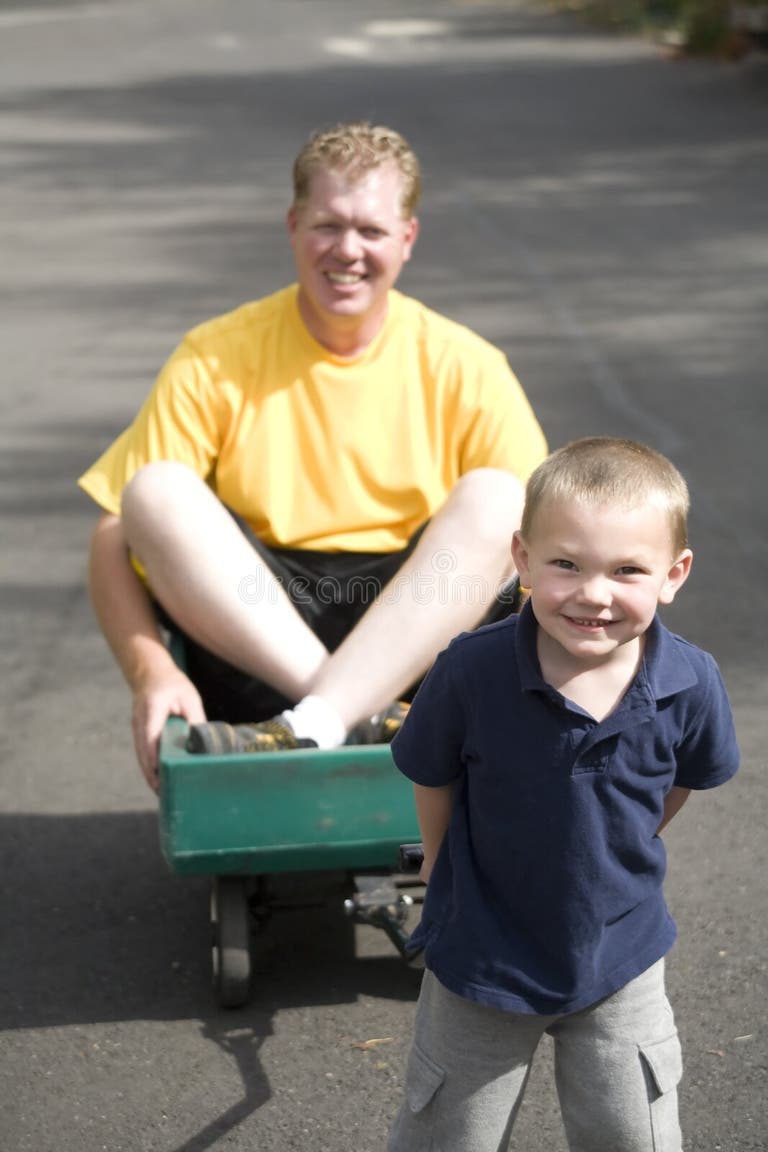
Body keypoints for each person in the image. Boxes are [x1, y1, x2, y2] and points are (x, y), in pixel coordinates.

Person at [77, 120, 547, 792]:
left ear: (407, 240)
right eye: (328, 224)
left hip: (421, 636)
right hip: (257, 634)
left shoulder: (467, 366)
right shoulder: (215, 355)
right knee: (149, 492)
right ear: (294, 225)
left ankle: (320, 720)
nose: (347, 250)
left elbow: (547, 548)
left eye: (372, 230)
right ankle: (345, 714)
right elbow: (112, 540)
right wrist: (153, 671)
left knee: (505, 501)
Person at [387, 437, 739, 1152]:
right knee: (449, 1134)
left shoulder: (691, 684)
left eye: (627, 570)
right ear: (521, 561)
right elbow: (433, 773)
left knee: (632, 1132)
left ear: (674, 575)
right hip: (481, 955)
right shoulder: (470, 671)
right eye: (566, 564)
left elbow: (675, 788)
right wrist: (436, 861)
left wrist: (618, 847)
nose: (594, 594)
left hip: (620, 955)